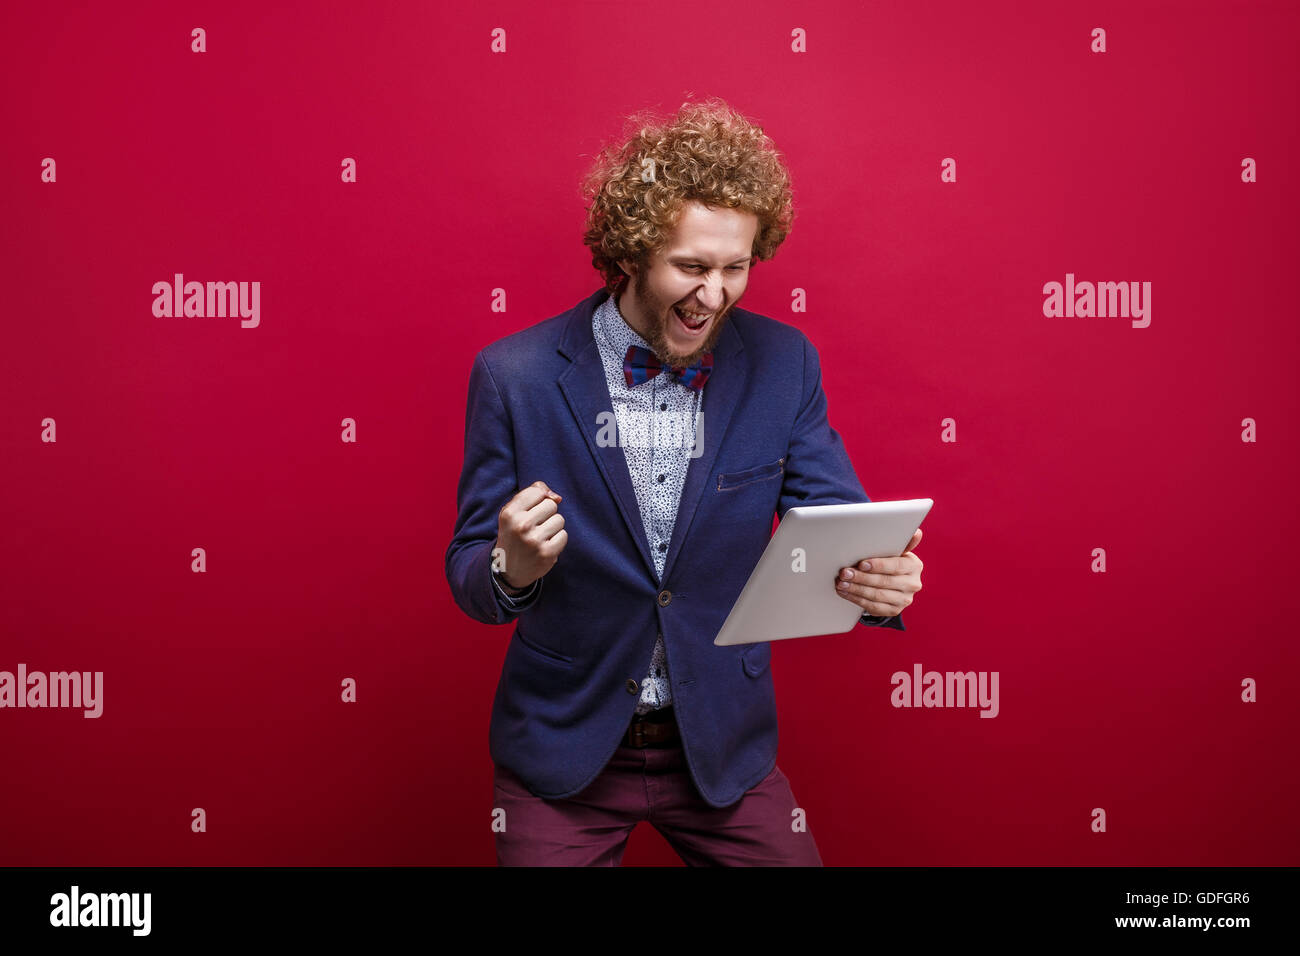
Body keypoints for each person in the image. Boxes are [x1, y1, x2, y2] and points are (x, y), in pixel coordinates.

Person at [445, 97, 924, 866]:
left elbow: (833, 523)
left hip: (721, 743)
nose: (717, 293)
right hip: (564, 753)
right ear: (631, 252)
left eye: (737, 267)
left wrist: (877, 578)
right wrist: (511, 568)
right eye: (693, 267)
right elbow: (469, 571)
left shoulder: (784, 363)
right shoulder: (514, 376)